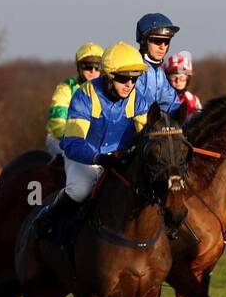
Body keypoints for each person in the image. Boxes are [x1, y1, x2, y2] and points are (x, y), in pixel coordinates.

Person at [35, 42, 151, 237]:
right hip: (86, 158)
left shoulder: (138, 99)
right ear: (108, 76)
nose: (130, 84)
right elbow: (72, 145)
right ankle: (49, 217)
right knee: (81, 189)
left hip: (119, 159)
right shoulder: (85, 95)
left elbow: (145, 136)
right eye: (123, 78)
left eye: (134, 79)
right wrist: (99, 158)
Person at [45, 43, 103, 158]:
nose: (93, 71)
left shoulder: (106, 90)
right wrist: (75, 139)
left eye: (97, 67)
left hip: (95, 143)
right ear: (79, 67)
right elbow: (57, 122)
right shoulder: (67, 87)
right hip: (61, 139)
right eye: (88, 66)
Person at [133, 12, 182, 114]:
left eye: (167, 41)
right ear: (143, 41)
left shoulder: (159, 73)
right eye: (157, 40)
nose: (163, 46)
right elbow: (136, 107)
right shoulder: (134, 70)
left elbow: (172, 104)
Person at [163, 50, 203, 118]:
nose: (178, 81)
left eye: (182, 78)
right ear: (167, 78)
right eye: (174, 77)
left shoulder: (193, 101)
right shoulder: (161, 98)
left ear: (188, 79)